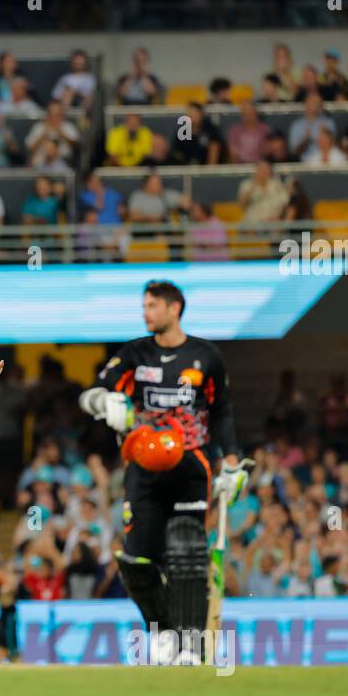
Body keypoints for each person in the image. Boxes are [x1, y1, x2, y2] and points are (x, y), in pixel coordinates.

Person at [79, 280, 244, 663]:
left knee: (188, 553)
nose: (145, 313)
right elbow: (89, 394)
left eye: (152, 305)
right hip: (142, 467)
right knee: (137, 560)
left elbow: (222, 411)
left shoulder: (206, 356)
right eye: (144, 306)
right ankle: (165, 630)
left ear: (174, 308)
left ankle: (191, 644)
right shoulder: (134, 353)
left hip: (192, 465)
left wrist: (232, 462)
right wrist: (103, 402)